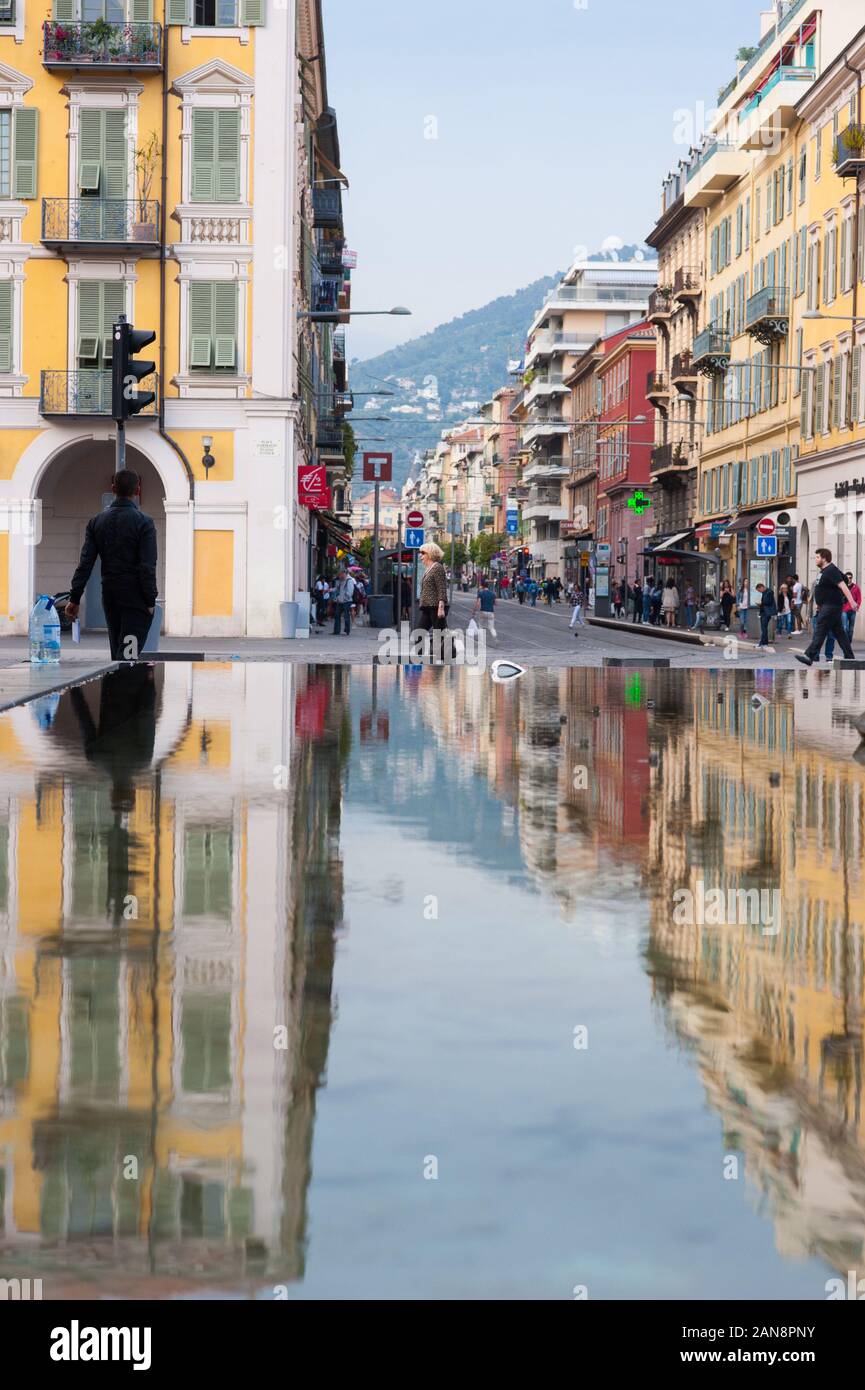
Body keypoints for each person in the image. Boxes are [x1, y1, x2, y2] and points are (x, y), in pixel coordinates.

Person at [65, 469, 157, 661]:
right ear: (137, 490)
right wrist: (150, 601)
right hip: (136, 598)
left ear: (113, 488)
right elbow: (147, 567)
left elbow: (85, 564)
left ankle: (115, 689)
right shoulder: (144, 523)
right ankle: (125, 687)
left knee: (117, 654)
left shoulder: (96, 522)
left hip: (110, 595)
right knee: (128, 656)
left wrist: (74, 598)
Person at [796, 549, 858, 666]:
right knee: (839, 632)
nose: (816, 559)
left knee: (821, 628)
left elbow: (843, 586)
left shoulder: (831, 570)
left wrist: (852, 602)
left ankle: (809, 655)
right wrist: (820, 603)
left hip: (831, 606)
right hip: (827, 606)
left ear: (824, 558)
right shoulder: (827, 570)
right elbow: (842, 578)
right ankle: (850, 657)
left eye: (818, 557)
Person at [418, 541, 448, 631]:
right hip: (427, 607)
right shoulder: (428, 569)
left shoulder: (437, 567)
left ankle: (449, 645)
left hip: (435, 607)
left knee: (440, 636)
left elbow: (441, 588)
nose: (420, 556)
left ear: (430, 554)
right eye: (420, 553)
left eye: (423, 553)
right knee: (419, 635)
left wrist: (441, 608)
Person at [471, 578, 497, 645]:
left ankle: (482, 641)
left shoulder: (481, 593)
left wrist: (474, 611)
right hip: (491, 612)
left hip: (483, 611)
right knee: (491, 627)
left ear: (482, 586)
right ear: (488, 586)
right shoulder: (493, 594)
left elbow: (478, 603)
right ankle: (495, 637)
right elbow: (496, 603)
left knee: (480, 626)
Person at [332, 566, 356, 636]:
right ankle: (336, 631)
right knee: (337, 615)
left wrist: (344, 598)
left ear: (344, 574)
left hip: (346, 601)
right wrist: (331, 590)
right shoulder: (341, 581)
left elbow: (350, 592)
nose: (339, 576)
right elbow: (337, 589)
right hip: (340, 601)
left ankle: (347, 630)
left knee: (346, 616)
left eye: (340, 574)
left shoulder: (349, 581)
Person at [754, 582, 777, 649]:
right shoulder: (766, 592)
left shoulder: (769, 592)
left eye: (759, 590)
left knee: (764, 628)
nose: (759, 592)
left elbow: (768, 602)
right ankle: (763, 642)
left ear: (762, 587)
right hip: (764, 612)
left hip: (767, 612)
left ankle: (763, 643)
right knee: (763, 628)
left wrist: (761, 603)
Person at [843, 572, 861, 643]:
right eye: (847, 578)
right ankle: (846, 643)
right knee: (845, 628)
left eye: (850, 578)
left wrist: (857, 606)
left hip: (852, 610)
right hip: (844, 610)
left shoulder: (856, 587)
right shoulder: (843, 587)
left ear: (852, 578)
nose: (849, 579)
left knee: (851, 629)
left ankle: (848, 643)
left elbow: (859, 599)